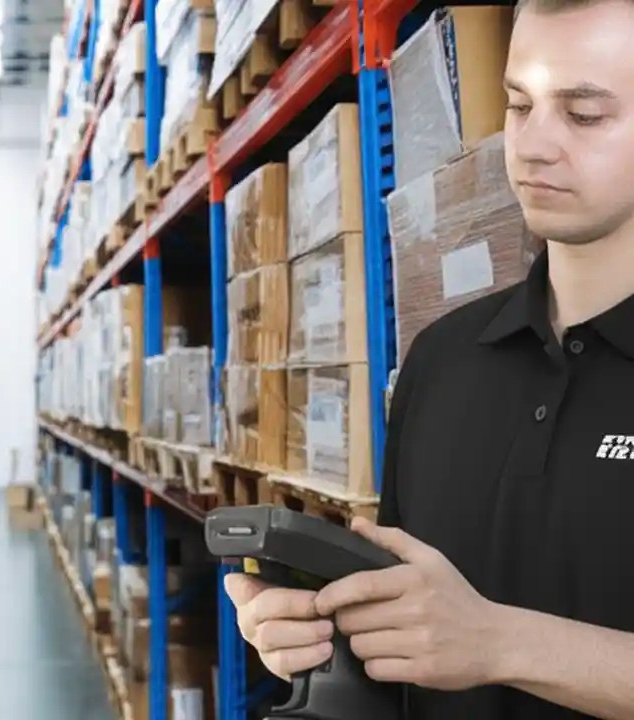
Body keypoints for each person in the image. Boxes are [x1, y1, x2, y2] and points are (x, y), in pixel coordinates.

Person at [222, 0, 634, 718]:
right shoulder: (441, 361)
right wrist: (318, 632)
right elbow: (409, 640)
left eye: (584, 114)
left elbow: (470, 638)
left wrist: (500, 642)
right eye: (518, 105)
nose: (532, 145)